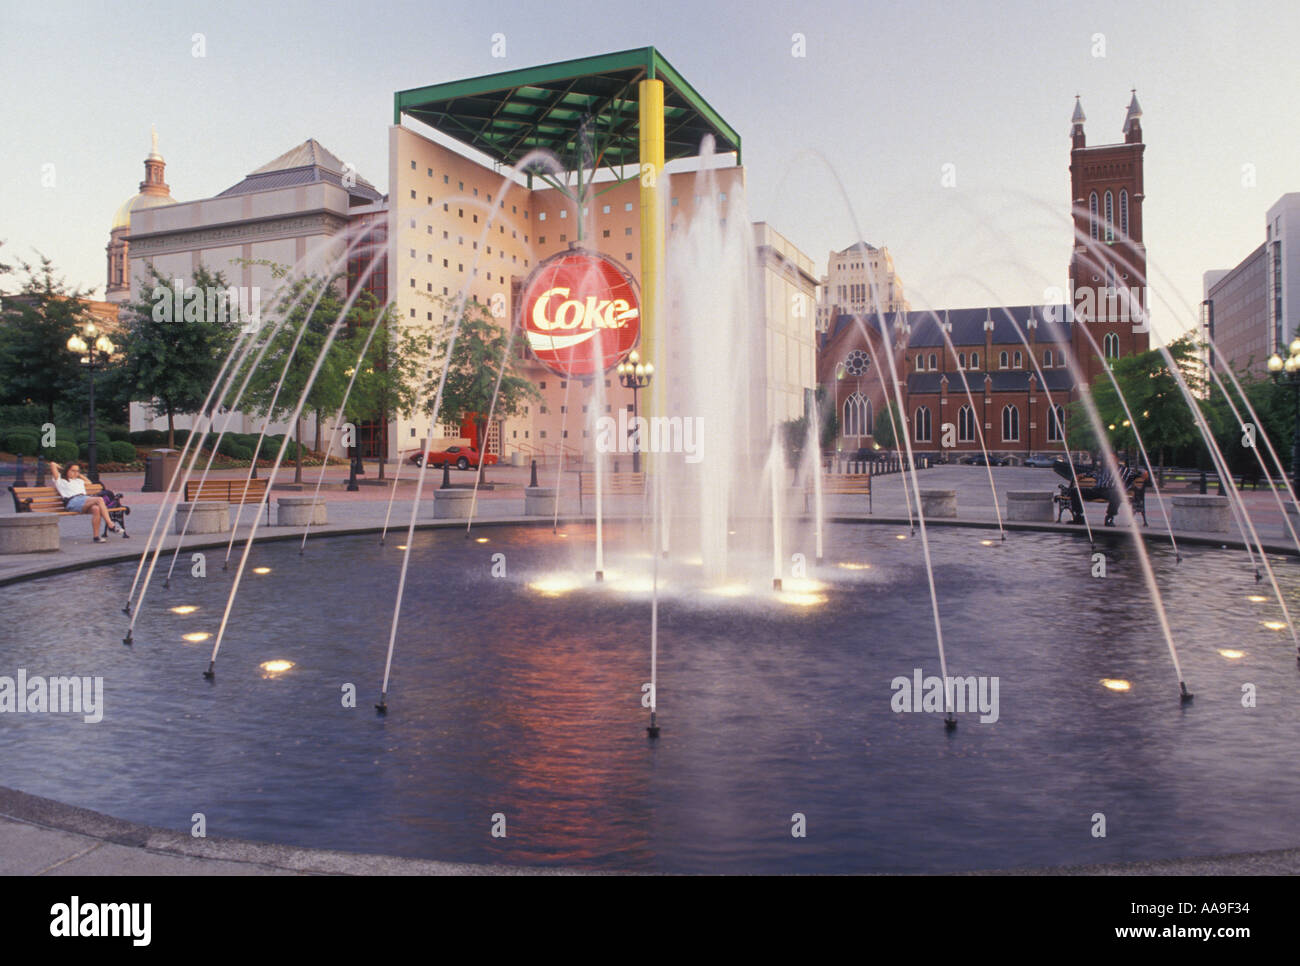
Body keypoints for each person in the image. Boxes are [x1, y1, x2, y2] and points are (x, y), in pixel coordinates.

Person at [50, 461, 121, 542]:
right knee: (99, 499)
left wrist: (78, 475)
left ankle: (96, 537)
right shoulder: (60, 480)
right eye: (73, 471)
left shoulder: (79, 481)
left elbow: (89, 482)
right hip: (72, 501)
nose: (75, 473)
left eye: (77, 471)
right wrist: (63, 469)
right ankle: (110, 524)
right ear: (67, 471)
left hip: (84, 499)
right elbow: (53, 464)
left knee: (96, 509)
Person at [1067, 460, 1143, 527]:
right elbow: (1091, 474)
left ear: (1117, 460)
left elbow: (1137, 475)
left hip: (1111, 491)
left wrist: (1144, 475)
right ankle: (1079, 517)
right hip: (1097, 490)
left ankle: (1109, 518)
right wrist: (1081, 475)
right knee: (1075, 491)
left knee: (1117, 494)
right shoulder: (1103, 470)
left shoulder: (1125, 470)